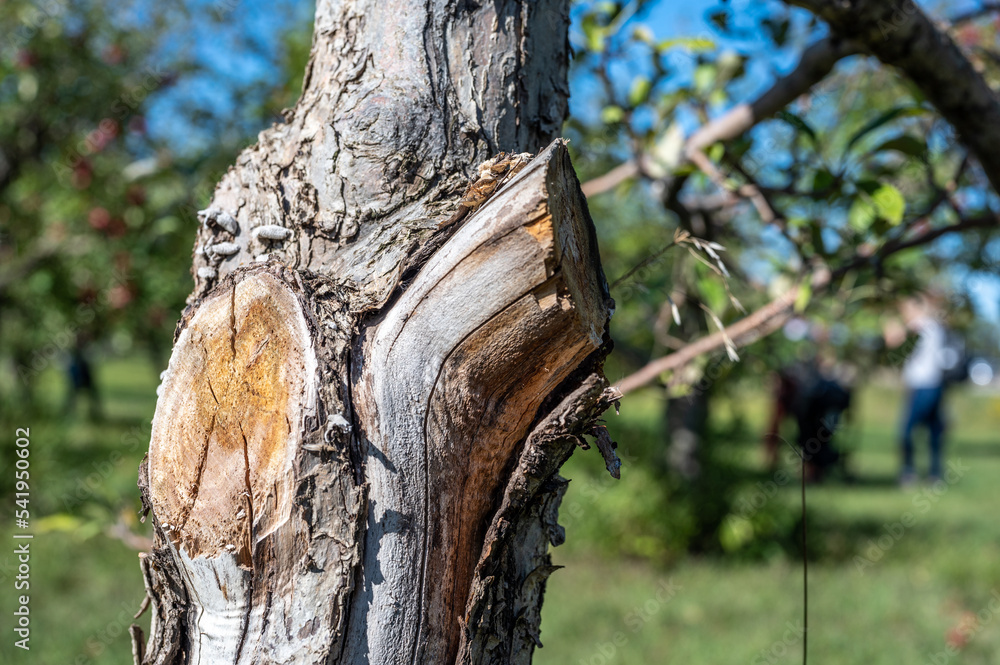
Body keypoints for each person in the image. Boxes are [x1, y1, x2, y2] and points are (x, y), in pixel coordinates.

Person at [890, 295, 948, 485]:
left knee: (906, 430)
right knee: (934, 432)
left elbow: (895, 352)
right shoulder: (935, 327)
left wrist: (892, 334)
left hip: (922, 386)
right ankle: (935, 474)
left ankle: (909, 472)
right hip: (935, 385)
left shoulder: (918, 327)